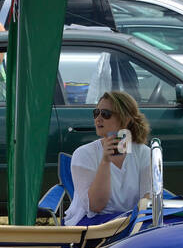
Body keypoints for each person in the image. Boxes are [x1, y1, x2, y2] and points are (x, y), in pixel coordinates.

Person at [65, 91, 153, 226]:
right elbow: (96, 205)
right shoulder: (84, 154)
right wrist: (105, 161)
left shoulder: (144, 153)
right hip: (92, 225)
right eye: (96, 113)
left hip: (131, 221)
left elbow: (147, 201)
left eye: (106, 114)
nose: (98, 119)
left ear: (127, 118)